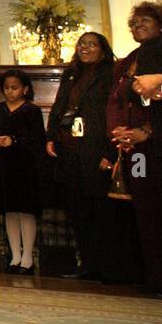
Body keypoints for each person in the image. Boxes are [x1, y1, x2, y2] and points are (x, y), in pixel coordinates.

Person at [113, 0, 162, 297]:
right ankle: (156, 278)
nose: (138, 26)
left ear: (161, 25)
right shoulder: (127, 60)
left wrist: (145, 131)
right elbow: (117, 100)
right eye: (134, 23)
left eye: (145, 21)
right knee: (145, 210)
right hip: (136, 152)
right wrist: (120, 133)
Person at [45, 32, 115, 278]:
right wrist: (51, 136)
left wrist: (110, 151)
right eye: (82, 44)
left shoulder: (110, 74)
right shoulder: (71, 74)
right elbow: (59, 106)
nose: (85, 48)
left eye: (92, 44)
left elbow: (112, 113)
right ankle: (85, 264)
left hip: (96, 150)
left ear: (102, 50)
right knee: (77, 209)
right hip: (70, 150)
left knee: (100, 210)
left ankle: (105, 266)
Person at [0, 68, 46, 275]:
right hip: (3, 164)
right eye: (6, 88)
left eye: (15, 88)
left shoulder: (32, 111)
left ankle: (27, 257)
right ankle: (15, 256)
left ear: (25, 89)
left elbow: (37, 140)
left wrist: (14, 141)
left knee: (26, 211)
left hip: (26, 166)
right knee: (9, 210)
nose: (10, 92)